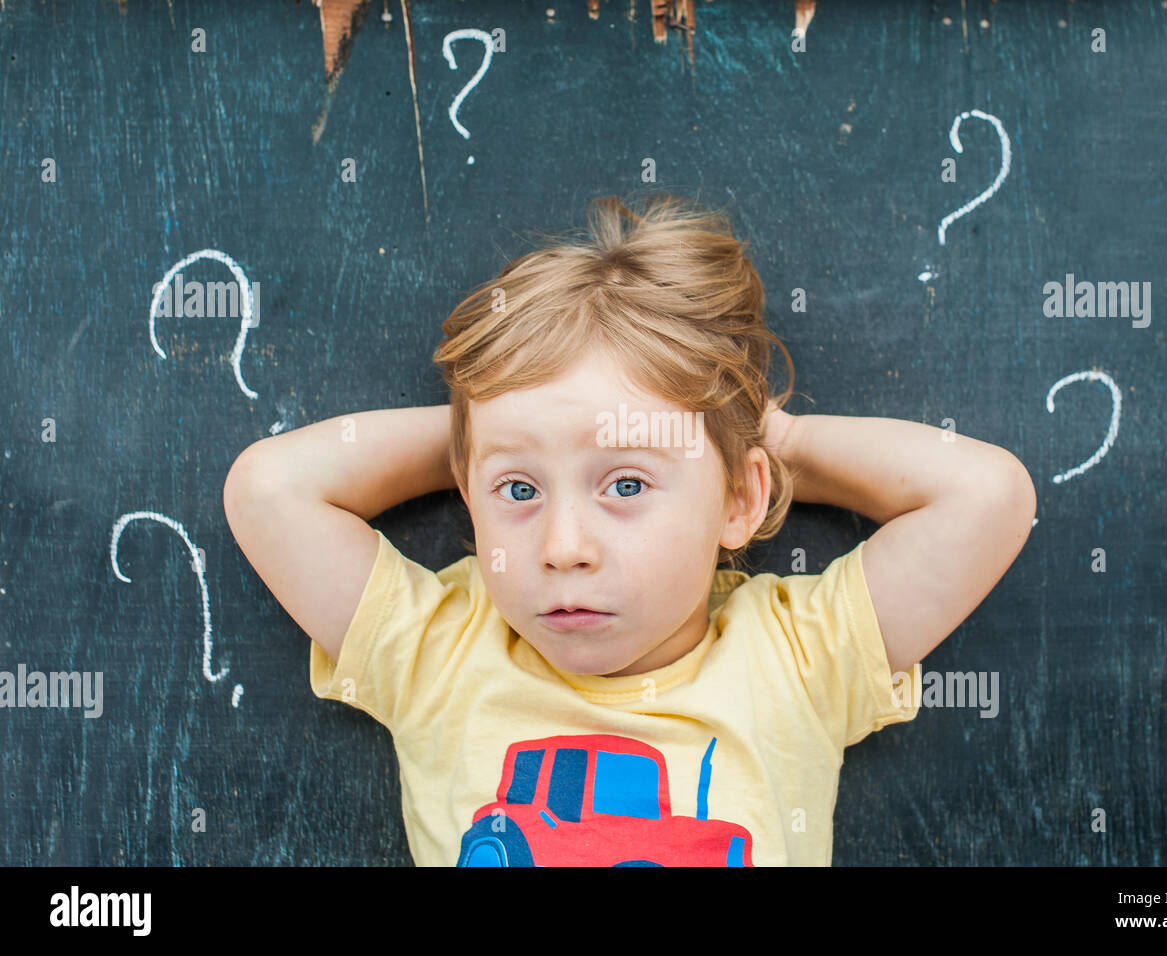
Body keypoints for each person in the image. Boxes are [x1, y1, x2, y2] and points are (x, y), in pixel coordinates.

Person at [222, 193, 1036, 866]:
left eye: (625, 483)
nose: (562, 545)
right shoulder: (441, 654)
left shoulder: (796, 658)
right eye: (517, 490)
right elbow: (270, 490)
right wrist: (491, 425)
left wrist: (759, 439)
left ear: (737, 503)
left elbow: (988, 494)